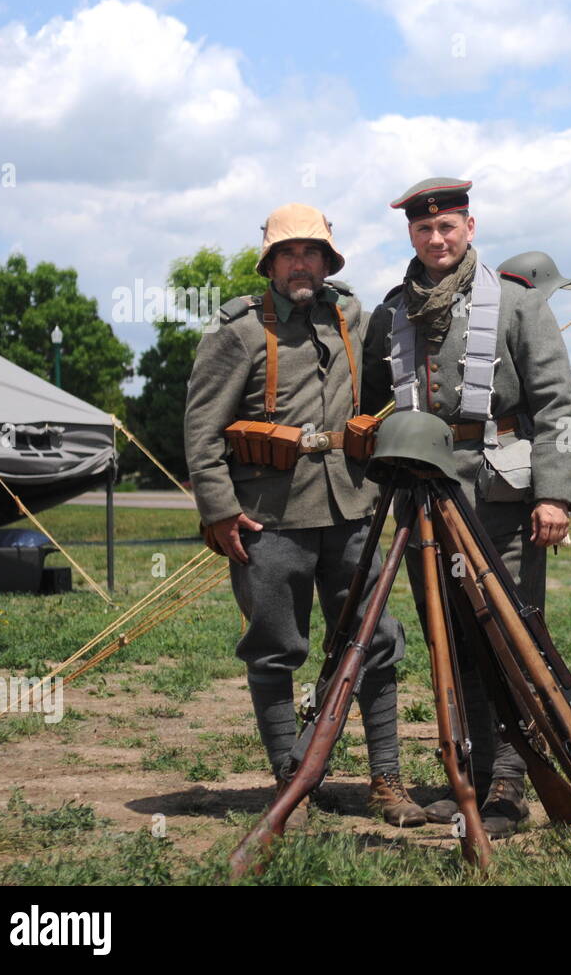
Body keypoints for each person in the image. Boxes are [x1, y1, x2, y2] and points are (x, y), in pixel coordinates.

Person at [185, 203, 425, 827]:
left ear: (327, 262)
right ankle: (292, 782)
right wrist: (219, 511)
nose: (302, 264)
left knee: (376, 639)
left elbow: (383, 392)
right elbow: (201, 431)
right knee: (274, 648)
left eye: (312, 253)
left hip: (351, 507)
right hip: (269, 517)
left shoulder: (350, 316)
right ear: (269, 262)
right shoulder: (233, 330)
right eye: (289, 253)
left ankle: (386, 780)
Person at [363, 179, 571, 837]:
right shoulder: (390, 313)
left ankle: (514, 778)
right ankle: (479, 771)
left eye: (448, 227)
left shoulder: (516, 306)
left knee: (509, 637)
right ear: (412, 235)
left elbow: (556, 405)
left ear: (470, 227)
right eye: (425, 230)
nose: (437, 239)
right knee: (450, 641)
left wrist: (554, 492)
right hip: (423, 500)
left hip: (503, 501)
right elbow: (372, 415)